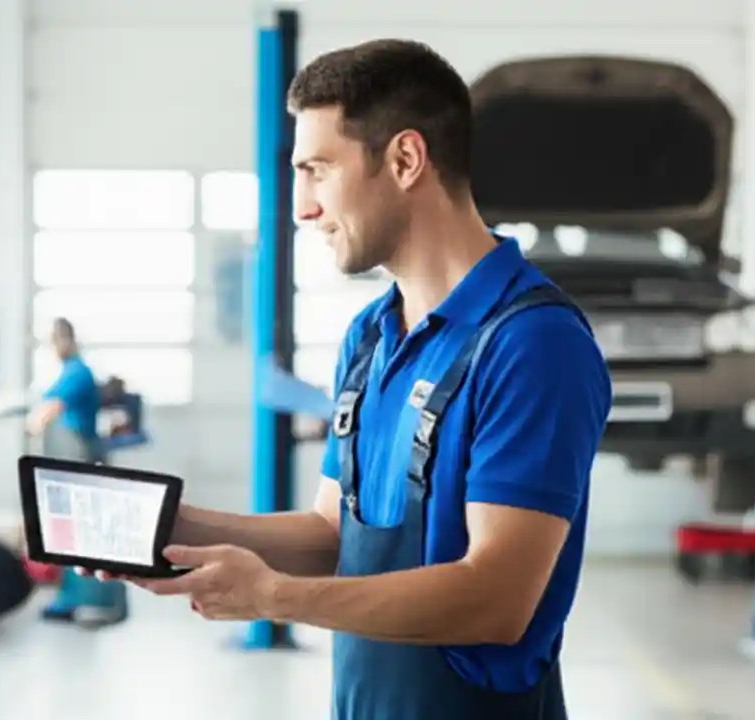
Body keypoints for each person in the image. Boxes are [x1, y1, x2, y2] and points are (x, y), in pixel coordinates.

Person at [100, 39, 613, 718]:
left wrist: (274, 598)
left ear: (405, 160)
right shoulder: (372, 336)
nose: (302, 206)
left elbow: (497, 599)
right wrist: (168, 527)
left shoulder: (531, 343)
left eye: (318, 170)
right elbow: (333, 533)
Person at [27, 318, 129, 627]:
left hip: (79, 461)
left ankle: (101, 600)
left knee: (86, 535)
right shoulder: (72, 372)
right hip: (69, 463)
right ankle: (72, 598)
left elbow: (48, 410)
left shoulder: (77, 373)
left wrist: (33, 424)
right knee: (67, 533)